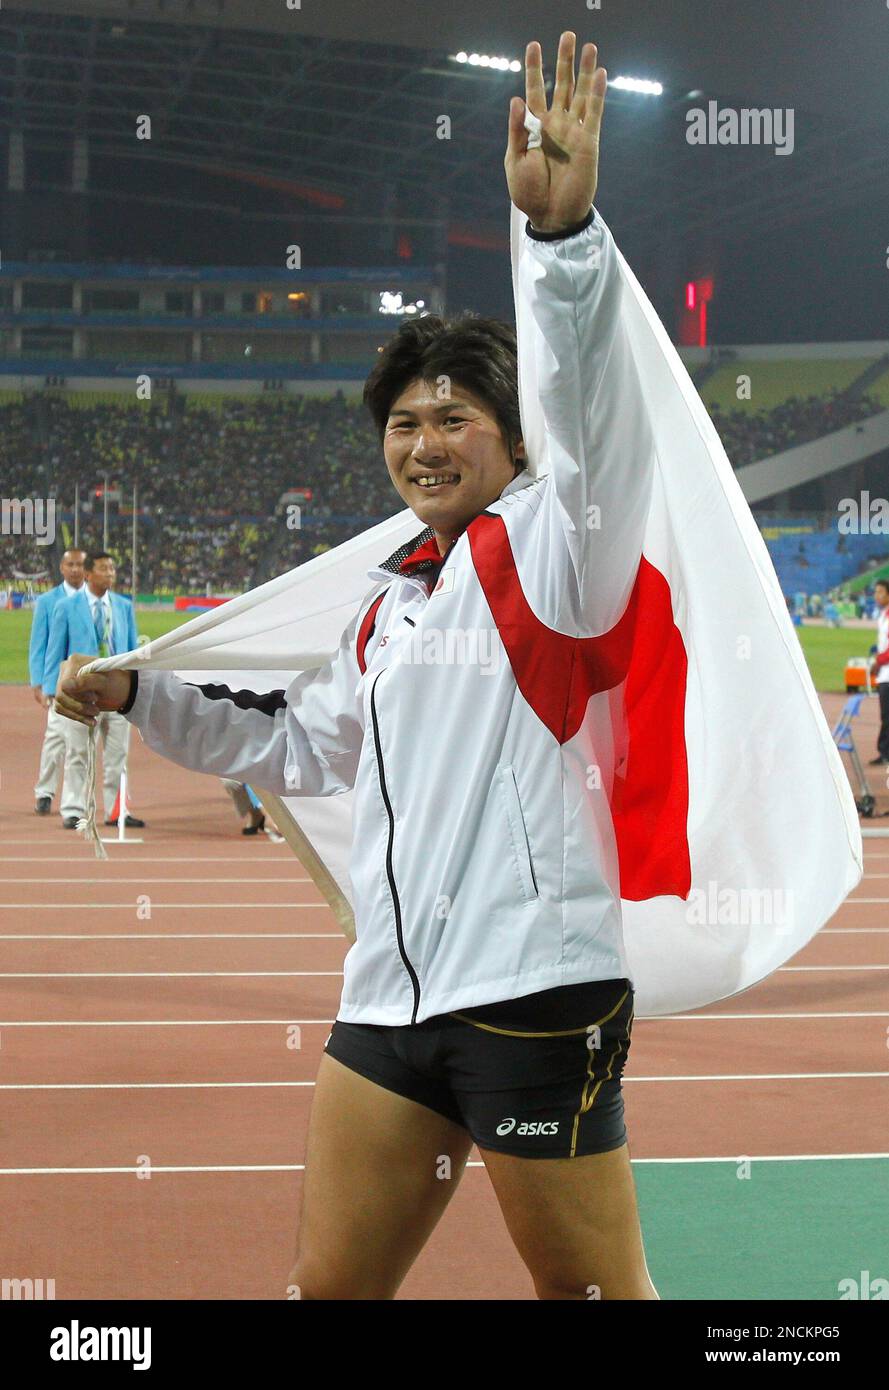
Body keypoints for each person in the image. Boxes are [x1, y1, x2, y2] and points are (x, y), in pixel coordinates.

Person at [55, 35, 657, 1300]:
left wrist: (561, 242)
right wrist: (143, 694)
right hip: (388, 998)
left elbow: (598, 413)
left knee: (589, 1295)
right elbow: (293, 741)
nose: (424, 442)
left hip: (530, 992)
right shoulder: (389, 603)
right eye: (403, 422)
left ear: (513, 441)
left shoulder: (557, 552)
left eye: (454, 418)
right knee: (329, 1290)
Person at [44, 551, 145, 830]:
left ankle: (116, 810)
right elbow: (55, 651)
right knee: (78, 753)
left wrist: (137, 686)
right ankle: (73, 809)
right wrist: (52, 688)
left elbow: (132, 650)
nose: (110, 573)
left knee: (118, 755)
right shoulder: (66, 607)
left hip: (117, 693)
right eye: (104, 568)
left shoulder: (123, 606)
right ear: (88, 574)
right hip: (81, 691)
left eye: (112, 568)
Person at [29, 549, 85, 818]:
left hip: (86, 682)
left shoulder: (94, 601)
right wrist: (38, 682)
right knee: (55, 738)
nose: (75, 569)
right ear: (62, 568)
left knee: (78, 744)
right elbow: (39, 644)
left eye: (80, 565)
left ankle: (73, 798)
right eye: (70, 564)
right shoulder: (47, 601)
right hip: (58, 682)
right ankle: (45, 792)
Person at [868, 579, 889, 766]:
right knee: (886, 715)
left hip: (888, 673)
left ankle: (886, 752)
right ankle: (884, 751)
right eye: (875, 592)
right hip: (885, 673)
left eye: (880, 592)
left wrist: (878, 662)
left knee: (887, 715)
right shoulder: (883, 615)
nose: (876, 595)